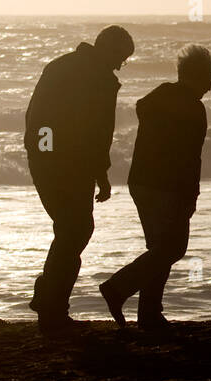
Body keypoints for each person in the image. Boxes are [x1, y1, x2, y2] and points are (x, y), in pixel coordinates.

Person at [24, 25, 134, 332]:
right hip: (67, 165)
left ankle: (49, 301)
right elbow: (99, 133)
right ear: (108, 50)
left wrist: (43, 153)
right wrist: (97, 173)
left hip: (55, 162)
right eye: (121, 57)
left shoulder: (60, 66)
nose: (120, 65)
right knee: (76, 229)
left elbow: (36, 117)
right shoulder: (99, 80)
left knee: (71, 230)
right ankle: (50, 306)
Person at [100, 45, 211, 330]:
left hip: (141, 181)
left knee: (159, 248)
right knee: (173, 248)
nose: (209, 89)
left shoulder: (159, 96)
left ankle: (149, 314)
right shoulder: (193, 109)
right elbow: (190, 158)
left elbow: (143, 110)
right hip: (168, 186)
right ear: (199, 77)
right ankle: (118, 288)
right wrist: (191, 195)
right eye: (209, 81)